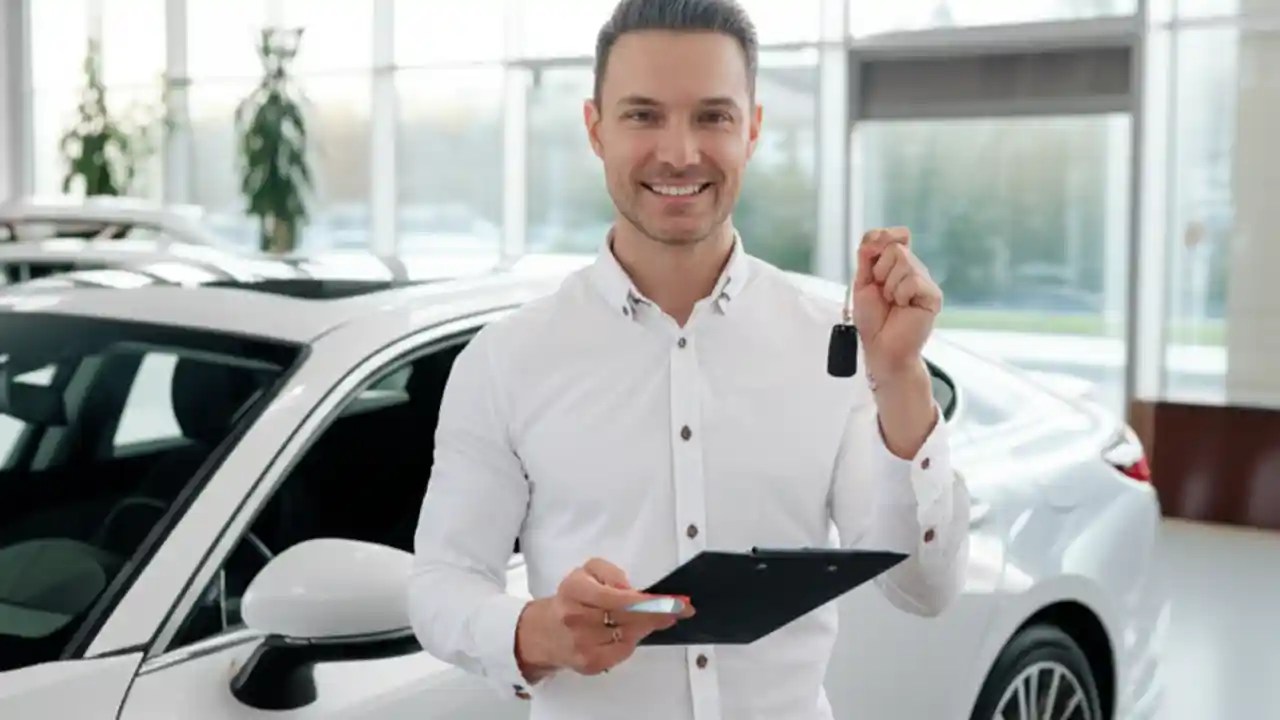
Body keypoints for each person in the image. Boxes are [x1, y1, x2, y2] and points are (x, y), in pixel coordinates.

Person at [408, 1, 971, 718]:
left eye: (713, 116)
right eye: (643, 115)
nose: (680, 153)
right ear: (595, 127)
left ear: (753, 128)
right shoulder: (505, 361)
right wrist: (533, 631)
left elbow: (925, 588)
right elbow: (441, 584)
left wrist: (899, 377)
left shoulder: (834, 341)